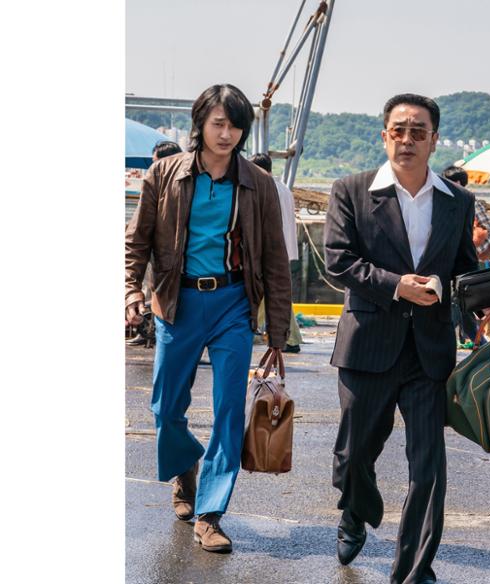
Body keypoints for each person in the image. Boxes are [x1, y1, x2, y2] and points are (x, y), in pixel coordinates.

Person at [324, 93, 490, 584]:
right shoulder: (351, 190)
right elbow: (339, 260)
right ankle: (355, 508)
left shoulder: (458, 201)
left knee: (428, 468)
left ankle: (414, 571)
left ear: (434, 140)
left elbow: (464, 273)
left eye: (418, 132)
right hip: (367, 345)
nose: (407, 140)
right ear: (384, 135)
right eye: (399, 130)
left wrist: (487, 306)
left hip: (428, 353)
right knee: (353, 455)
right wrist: (395, 285)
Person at [125, 84, 291, 554]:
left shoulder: (258, 184)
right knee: (165, 408)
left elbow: (276, 260)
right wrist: (130, 290)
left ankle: (210, 513)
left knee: (228, 410)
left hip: (233, 305)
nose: (226, 134)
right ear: (200, 123)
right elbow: (137, 240)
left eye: (236, 126)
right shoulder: (165, 174)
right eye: (218, 123)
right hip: (176, 303)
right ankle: (185, 467)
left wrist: (277, 333)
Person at [126, 141, 184, 347]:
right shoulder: (161, 184)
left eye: (155, 162)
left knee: (157, 294)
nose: (153, 166)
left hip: (166, 259)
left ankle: (151, 332)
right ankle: (149, 332)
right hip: (160, 255)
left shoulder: (173, 186)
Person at [249, 152, 303, 353]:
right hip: (284, 249)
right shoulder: (284, 189)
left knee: (266, 293)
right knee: (278, 294)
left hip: (270, 251)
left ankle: (249, 330)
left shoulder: (264, 187)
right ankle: (291, 338)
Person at [442, 165, 490, 347]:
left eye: (447, 181)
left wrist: (473, 252)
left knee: (458, 303)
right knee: (463, 309)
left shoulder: (470, 201)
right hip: (452, 264)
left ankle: (477, 343)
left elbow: (489, 230)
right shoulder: (447, 201)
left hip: (468, 265)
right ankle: (481, 344)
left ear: (457, 182)